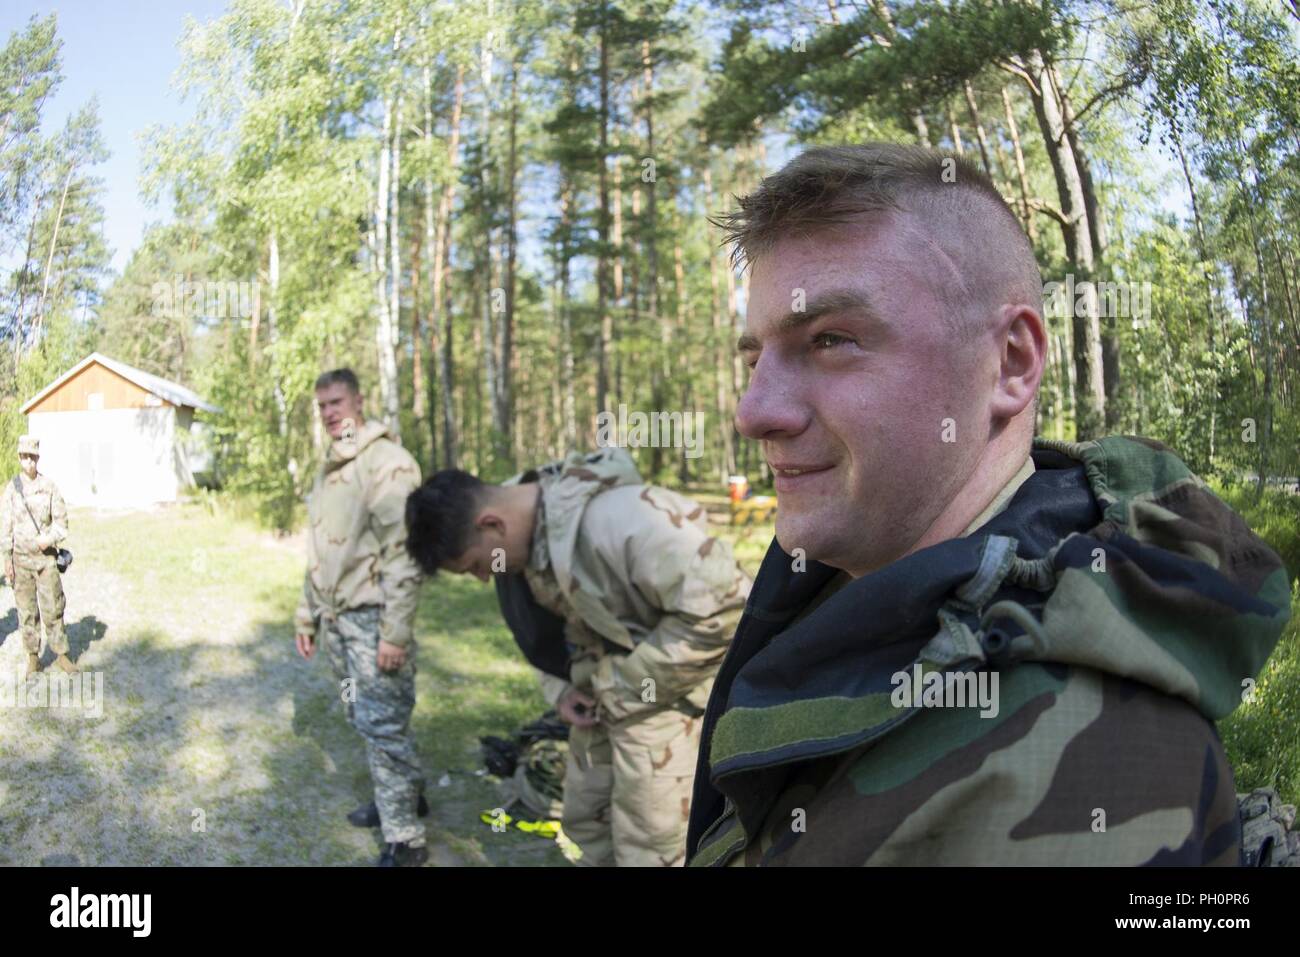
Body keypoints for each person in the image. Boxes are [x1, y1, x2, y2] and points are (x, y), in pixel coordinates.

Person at [684, 143, 1292, 866]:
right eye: (755, 358)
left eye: (831, 339)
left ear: (1010, 362)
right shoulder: (853, 584)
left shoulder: (1074, 767)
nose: (754, 412)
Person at [405, 448, 751, 866]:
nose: (482, 578)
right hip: (604, 705)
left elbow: (725, 607)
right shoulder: (521, 540)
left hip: (667, 709)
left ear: (492, 524)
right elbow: (540, 636)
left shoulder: (623, 520)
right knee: (587, 821)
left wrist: (622, 687)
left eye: (476, 565)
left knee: (653, 847)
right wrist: (563, 690)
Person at [293, 369, 428, 867]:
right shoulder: (329, 468)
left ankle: (406, 838)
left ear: (359, 401)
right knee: (365, 718)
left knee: (385, 724)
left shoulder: (388, 464)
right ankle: (403, 796)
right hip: (338, 619)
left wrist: (394, 634)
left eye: (337, 402)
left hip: (375, 620)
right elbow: (319, 552)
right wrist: (306, 616)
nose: (329, 413)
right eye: (322, 405)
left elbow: (405, 556)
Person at [1, 435, 75, 677]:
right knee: (26, 612)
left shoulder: (49, 487)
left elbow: (62, 523)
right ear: (20, 458)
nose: (29, 462)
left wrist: (50, 538)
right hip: (20, 562)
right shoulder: (11, 489)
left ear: (38, 458)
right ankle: (33, 658)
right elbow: (5, 527)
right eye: (24, 457)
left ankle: (62, 655)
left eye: (32, 457)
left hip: (45, 562)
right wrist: (6, 559)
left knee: (54, 607)